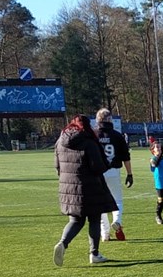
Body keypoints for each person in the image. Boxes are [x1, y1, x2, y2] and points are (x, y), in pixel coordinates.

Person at [52, 115, 115, 266]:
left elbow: (57, 166)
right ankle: (94, 254)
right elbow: (97, 166)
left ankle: (63, 243)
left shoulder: (60, 141)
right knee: (94, 219)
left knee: (75, 221)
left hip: (68, 187)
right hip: (91, 187)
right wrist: (108, 164)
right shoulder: (89, 142)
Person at [94, 108, 133, 242]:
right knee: (117, 200)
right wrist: (129, 174)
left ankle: (105, 233)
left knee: (100, 204)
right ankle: (117, 220)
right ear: (110, 119)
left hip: (98, 172)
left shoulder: (93, 134)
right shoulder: (117, 135)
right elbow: (126, 157)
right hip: (113, 170)